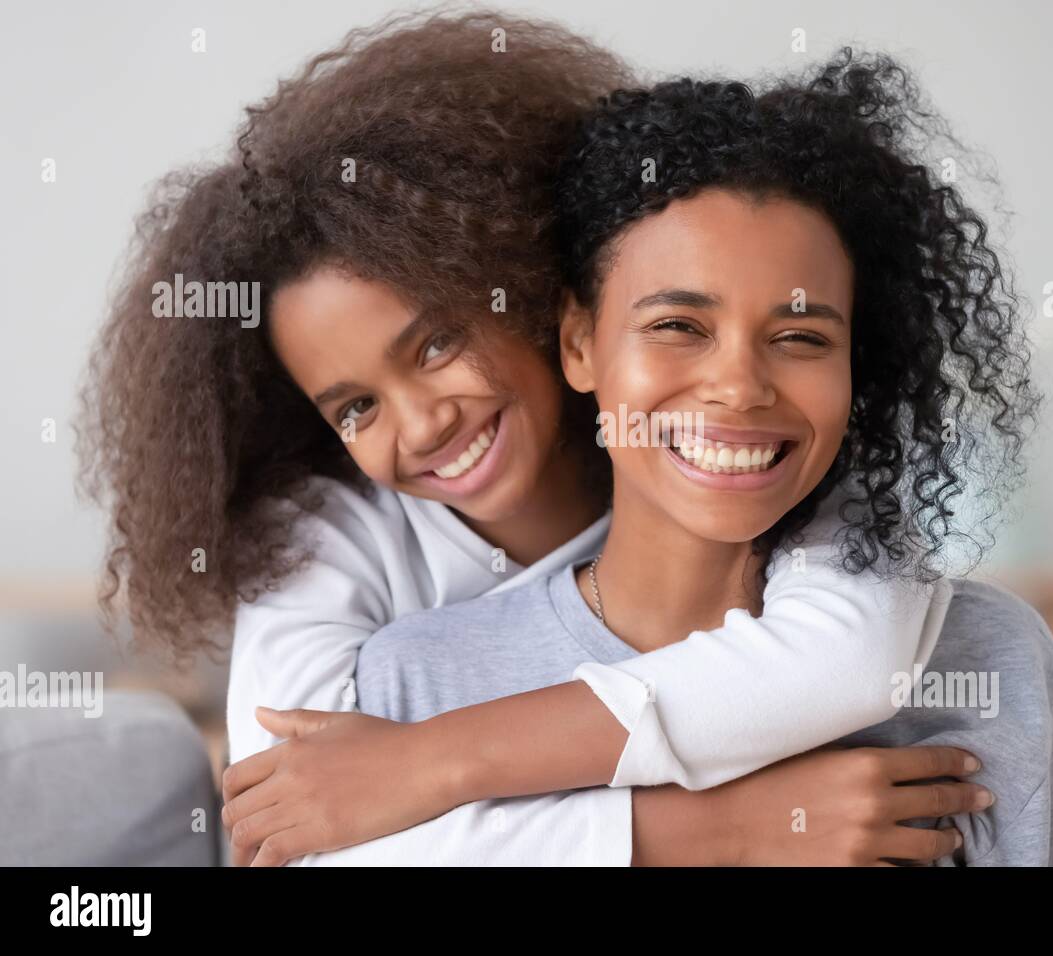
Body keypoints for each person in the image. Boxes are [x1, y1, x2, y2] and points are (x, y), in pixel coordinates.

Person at [79, 11, 985, 866]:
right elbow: (308, 837)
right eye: (355, 407)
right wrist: (719, 831)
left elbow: (848, 661)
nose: (424, 420)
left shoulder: (728, 461)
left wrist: (429, 765)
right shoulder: (329, 546)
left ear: (539, 298)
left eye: (438, 344)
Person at [304, 54, 1053, 865]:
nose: (739, 387)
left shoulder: (984, 659)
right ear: (580, 343)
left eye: (801, 338)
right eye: (678, 326)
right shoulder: (417, 683)